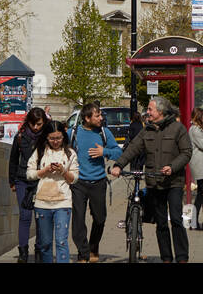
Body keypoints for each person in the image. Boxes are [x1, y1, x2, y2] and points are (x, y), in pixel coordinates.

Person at [117, 96, 193, 262]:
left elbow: (186, 152)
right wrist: (118, 165)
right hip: (154, 182)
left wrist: (172, 167)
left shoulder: (178, 129)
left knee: (175, 219)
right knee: (161, 223)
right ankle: (166, 258)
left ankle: (182, 257)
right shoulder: (147, 130)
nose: (147, 112)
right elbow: (132, 149)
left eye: (150, 109)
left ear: (161, 111)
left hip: (174, 182)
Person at [69, 101, 127, 263]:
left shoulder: (104, 132)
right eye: (98, 115)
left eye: (101, 115)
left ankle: (94, 247)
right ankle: (83, 253)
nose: (101, 117)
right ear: (87, 118)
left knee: (100, 219)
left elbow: (118, 152)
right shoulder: (73, 133)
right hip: (78, 183)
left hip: (99, 182)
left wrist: (104, 151)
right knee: (78, 221)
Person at [27, 119, 78, 263]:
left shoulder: (70, 153)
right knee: (45, 244)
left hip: (63, 203)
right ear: (46, 137)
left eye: (58, 138)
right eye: (52, 138)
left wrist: (63, 171)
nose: (55, 141)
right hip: (42, 203)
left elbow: (74, 179)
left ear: (64, 137)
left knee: (61, 242)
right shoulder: (40, 152)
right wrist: (44, 170)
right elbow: (29, 174)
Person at [8, 106, 48, 263]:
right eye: (34, 124)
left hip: (41, 179)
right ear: (28, 123)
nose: (36, 127)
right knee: (25, 215)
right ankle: (23, 252)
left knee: (40, 215)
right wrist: (11, 180)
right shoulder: (20, 136)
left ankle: (39, 250)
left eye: (39, 124)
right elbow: (13, 159)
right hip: (22, 179)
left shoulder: (47, 137)